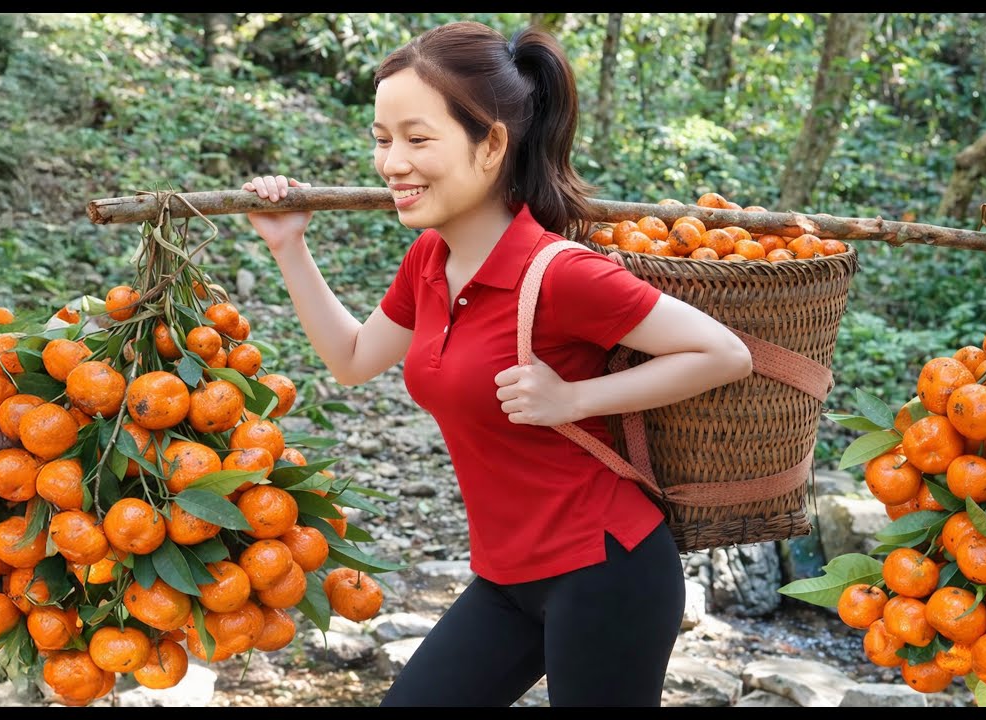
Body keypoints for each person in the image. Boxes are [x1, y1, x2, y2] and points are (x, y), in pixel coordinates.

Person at [242, 20, 753, 708]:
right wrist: (287, 246)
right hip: (507, 578)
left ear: (491, 145)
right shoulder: (430, 260)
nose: (393, 162)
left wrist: (572, 399)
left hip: (606, 571)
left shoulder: (560, 273)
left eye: (418, 139)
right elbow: (354, 359)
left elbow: (724, 353)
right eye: (381, 139)